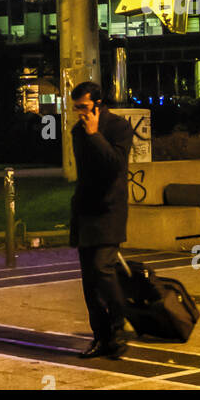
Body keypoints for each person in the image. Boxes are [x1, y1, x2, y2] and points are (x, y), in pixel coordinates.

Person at [68, 81, 133, 359]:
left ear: (97, 103)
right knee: (89, 281)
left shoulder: (118, 127)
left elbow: (115, 166)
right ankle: (101, 337)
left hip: (109, 210)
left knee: (102, 267)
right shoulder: (76, 131)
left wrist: (95, 135)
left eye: (83, 107)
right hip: (86, 210)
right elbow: (85, 172)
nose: (80, 113)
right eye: (76, 108)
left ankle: (120, 328)